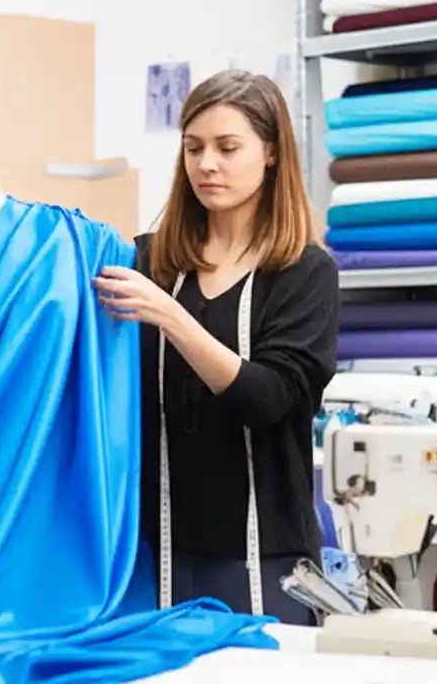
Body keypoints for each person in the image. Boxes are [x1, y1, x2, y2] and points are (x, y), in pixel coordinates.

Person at [94, 69, 339, 625]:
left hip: (264, 554)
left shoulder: (303, 272)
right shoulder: (150, 261)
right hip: (155, 549)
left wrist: (170, 316)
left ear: (271, 152)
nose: (207, 164)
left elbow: (270, 398)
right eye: (194, 148)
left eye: (228, 148)